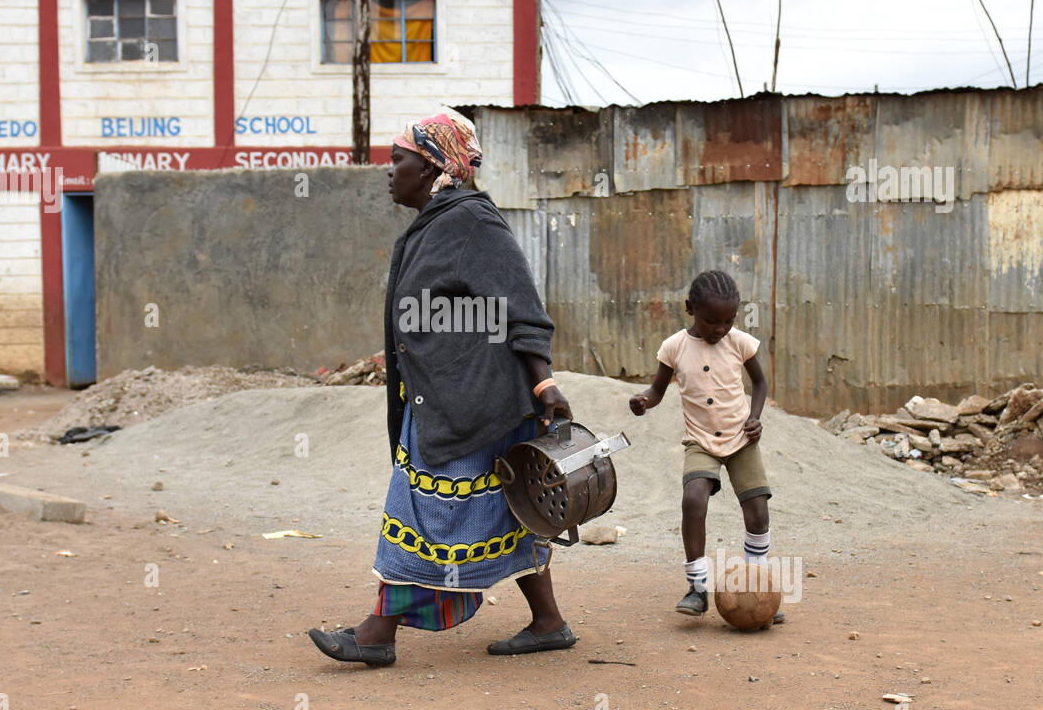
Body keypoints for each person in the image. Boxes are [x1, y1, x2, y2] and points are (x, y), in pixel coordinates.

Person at [309, 109, 578, 667]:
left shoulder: (472, 222)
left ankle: (377, 634)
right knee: (512, 509)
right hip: (453, 400)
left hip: (474, 405)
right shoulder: (438, 221)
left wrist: (546, 385)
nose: (389, 171)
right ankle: (549, 622)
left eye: (399, 159)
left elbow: (520, 308)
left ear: (434, 166)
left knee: (416, 517)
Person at [627, 269, 784, 624]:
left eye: (728, 321)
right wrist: (643, 401)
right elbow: (657, 390)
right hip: (700, 440)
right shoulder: (674, 347)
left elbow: (759, 384)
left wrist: (755, 417)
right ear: (690, 308)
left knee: (757, 509)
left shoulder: (740, 342)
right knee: (693, 499)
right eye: (712, 320)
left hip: (742, 439)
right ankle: (697, 588)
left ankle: (758, 587)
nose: (720, 329)